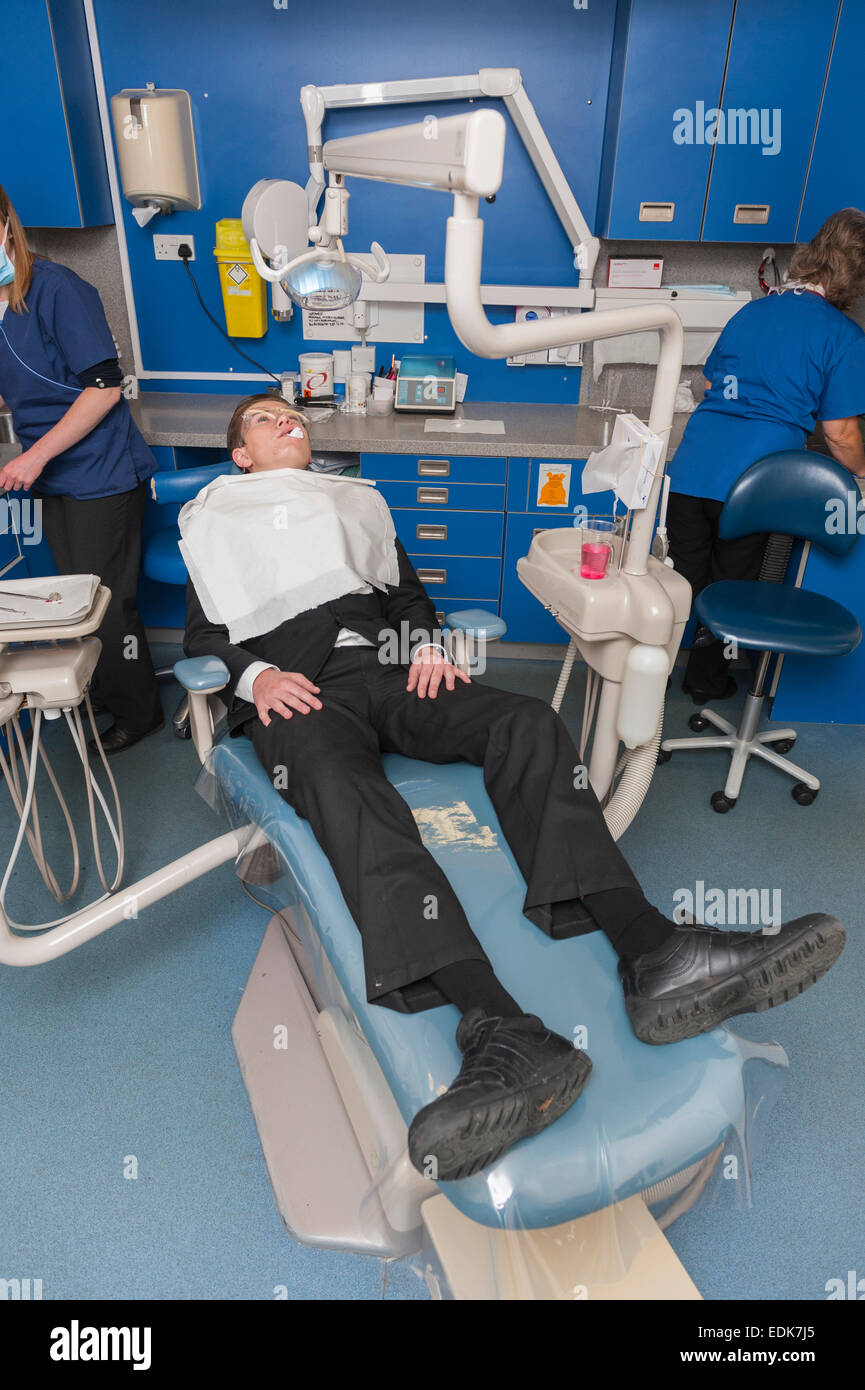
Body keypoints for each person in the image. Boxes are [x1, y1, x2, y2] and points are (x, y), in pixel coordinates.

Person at [183, 393, 846, 1181]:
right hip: (299, 692)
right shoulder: (213, 522)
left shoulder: (351, 502)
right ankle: (500, 1029)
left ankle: (653, 952)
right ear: (240, 455)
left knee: (526, 723)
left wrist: (422, 642)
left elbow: (402, 596)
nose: (286, 418)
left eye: (293, 412)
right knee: (351, 795)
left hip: (392, 671)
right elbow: (203, 636)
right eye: (263, 417)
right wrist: (255, 677)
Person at [668, 208, 865, 704]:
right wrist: (862, 473)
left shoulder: (752, 311)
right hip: (753, 483)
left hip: (694, 466)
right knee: (728, 586)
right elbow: (840, 433)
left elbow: (711, 382)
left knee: (678, 583)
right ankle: (705, 681)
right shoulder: (842, 335)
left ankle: (650, 680)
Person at [0, 185, 163, 752]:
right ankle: (103, 687)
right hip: (53, 471)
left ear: (5, 226)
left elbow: (103, 389)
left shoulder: (58, 289)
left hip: (98, 469)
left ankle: (140, 711)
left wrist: (35, 455)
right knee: (73, 598)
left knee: (107, 601)